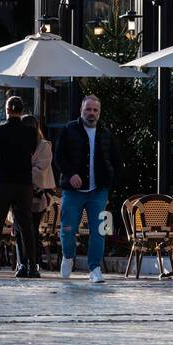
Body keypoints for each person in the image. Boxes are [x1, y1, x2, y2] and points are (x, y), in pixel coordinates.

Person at [53, 95, 121, 284]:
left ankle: (95, 268)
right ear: (81, 111)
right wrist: (70, 174)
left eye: (95, 110)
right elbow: (59, 157)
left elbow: (115, 160)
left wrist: (108, 184)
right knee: (68, 229)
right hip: (73, 191)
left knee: (99, 231)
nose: (91, 113)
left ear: (99, 112)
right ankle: (68, 257)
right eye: (88, 110)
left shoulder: (105, 133)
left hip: (98, 192)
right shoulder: (69, 130)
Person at [0, 96, 39, 279]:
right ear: (22, 111)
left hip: (3, 182)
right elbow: (32, 150)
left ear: (7, 110)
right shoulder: (30, 133)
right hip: (23, 184)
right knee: (26, 225)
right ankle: (32, 266)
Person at [21, 114, 54, 272]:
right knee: (20, 228)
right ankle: (22, 263)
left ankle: (33, 262)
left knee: (33, 229)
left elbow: (41, 170)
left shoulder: (44, 146)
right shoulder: (17, 144)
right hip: (19, 193)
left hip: (37, 194)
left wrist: (21, 170)